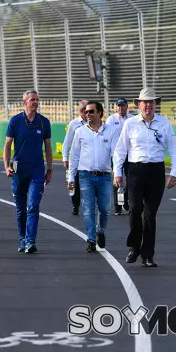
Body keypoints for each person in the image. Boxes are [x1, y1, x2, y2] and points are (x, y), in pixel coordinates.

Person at [113, 88, 176, 267]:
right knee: (135, 209)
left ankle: (148, 254)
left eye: (151, 102)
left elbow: (174, 148)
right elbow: (120, 149)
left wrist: (174, 172)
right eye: (145, 102)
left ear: (155, 104)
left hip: (156, 171)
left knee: (150, 214)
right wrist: (117, 172)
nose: (148, 105)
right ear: (139, 104)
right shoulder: (131, 124)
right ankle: (134, 247)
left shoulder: (164, 124)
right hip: (136, 170)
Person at [3, 90, 53, 253]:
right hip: (18, 167)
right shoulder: (15, 121)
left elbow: (48, 147)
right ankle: (22, 238)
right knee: (21, 208)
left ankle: (30, 241)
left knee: (33, 206)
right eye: (32, 100)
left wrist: (49, 168)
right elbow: (8, 144)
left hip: (37, 168)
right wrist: (7, 165)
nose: (35, 102)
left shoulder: (44, 122)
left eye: (37, 100)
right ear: (24, 102)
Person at [68, 101, 118, 253]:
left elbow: (116, 154)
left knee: (104, 209)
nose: (87, 114)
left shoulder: (111, 131)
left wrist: (118, 173)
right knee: (88, 210)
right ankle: (90, 239)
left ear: (100, 113)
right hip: (86, 176)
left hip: (104, 177)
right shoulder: (80, 132)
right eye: (86, 112)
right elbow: (74, 155)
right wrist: (71, 177)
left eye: (91, 111)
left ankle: (100, 231)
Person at [105, 98, 134, 215]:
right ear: (115, 108)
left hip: (130, 153)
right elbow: (107, 135)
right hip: (115, 153)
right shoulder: (111, 120)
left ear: (127, 107)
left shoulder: (132, 119)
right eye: (119, 106)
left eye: (123, 106)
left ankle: (125, 199)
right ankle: (117, 206)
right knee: (117, 179)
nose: (121, 108)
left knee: (131, 179)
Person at [62, 100, 88, 215]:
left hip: (89, 158)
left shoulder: (95, 122)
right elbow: (67, 142)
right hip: (76, 158)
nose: (87, 113)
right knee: (74, 181)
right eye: (85, 110)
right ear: (81, 111)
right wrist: (65, 157)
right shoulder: (74, 123)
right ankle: (75, 205)